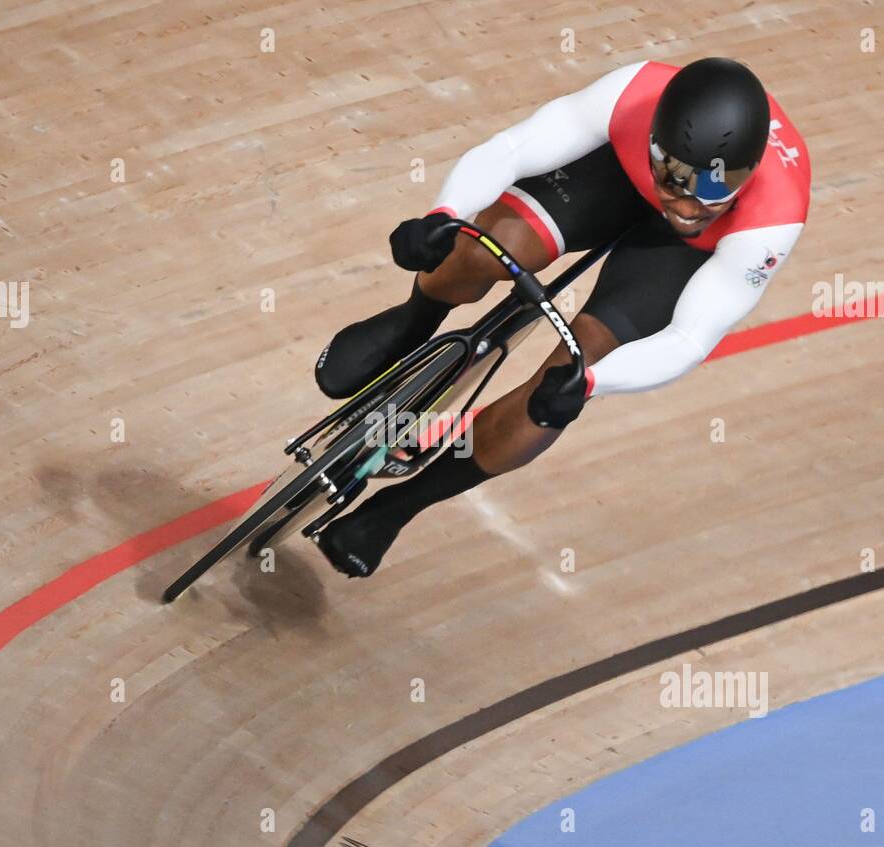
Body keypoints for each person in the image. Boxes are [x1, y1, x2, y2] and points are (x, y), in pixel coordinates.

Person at [312, 57, 811, 577]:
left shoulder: (771, 220)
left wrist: (591, 381)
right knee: (485, 247)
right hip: (616, 177)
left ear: (747, 178)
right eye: (675, 178)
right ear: (656, 144)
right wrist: (444, 214)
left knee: (563, 381)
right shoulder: (634, 94)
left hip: (689, 253)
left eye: (712, 191)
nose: (686, 203)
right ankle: (413, 322)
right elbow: (512, 149)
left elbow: (689, 338)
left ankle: (392, 510)